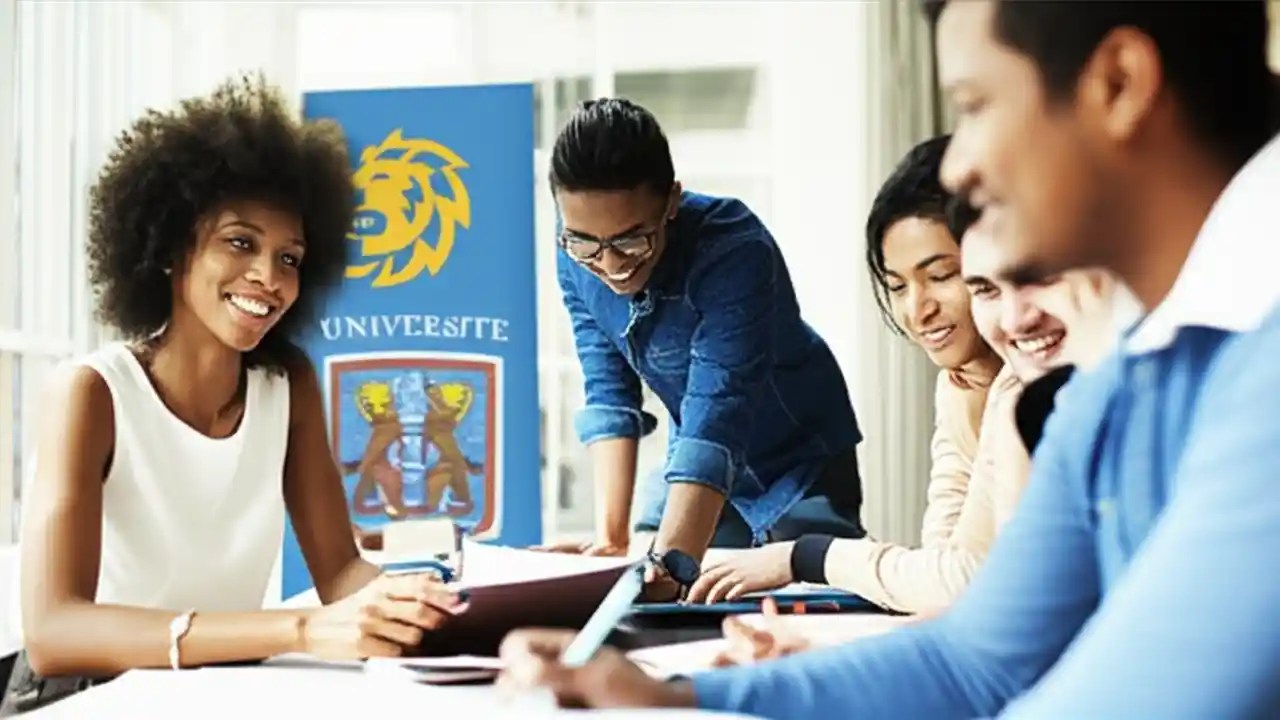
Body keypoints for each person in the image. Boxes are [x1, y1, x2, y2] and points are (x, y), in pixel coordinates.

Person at [498, 2, 1280, 716]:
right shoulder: (1116, 366)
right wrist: (670, 696)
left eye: (974, 105)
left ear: (1119, 84)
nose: (957, 167)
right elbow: (974, 660)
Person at [2, 76, 465, 714]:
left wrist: (427, 606)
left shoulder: (288, 385)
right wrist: (297, 629)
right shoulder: (91, 394)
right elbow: (55, 632)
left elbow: (340, 573)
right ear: (171, 247)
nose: (267, 277)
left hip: (210, 690)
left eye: (289, 259)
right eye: (240, 243)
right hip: (81, 697)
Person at [537, 98, 864, 596]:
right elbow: (608, 389)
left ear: (672, 201)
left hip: (795, 457)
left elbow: (719, 411)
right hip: (692, 448)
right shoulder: (574, 253)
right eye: (585, 243)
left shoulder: (735, 249)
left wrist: (671, 566)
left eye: (631, 241)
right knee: (645, 584)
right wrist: (610, 539)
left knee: (808, 597)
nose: (610, 264)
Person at [687, 135, 1016, 615]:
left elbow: (960, 583)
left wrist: (804, 556)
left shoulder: (1026, 387)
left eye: (941, 276)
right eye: (897, 286)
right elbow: (940, 568)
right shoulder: (958, 385)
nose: (917, 310)